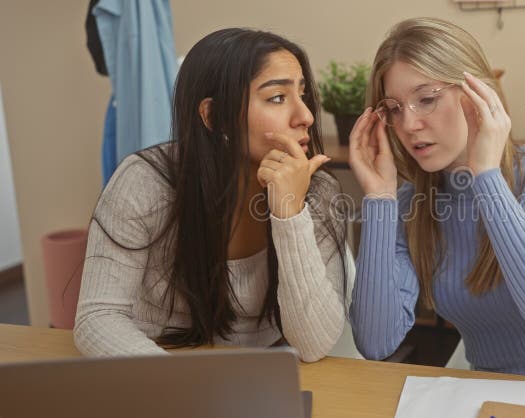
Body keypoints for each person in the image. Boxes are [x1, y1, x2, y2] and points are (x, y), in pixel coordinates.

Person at [348, 18, 525, 385]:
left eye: (426, 99)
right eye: (393, 108)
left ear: (476, 96)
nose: (408, 125)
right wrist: (378, 199)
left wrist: (486, 176)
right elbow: (375, 342)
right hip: (491, 388)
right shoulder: (411, 204)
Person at [74, 28, 349, 362]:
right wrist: (187, 387)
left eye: (302, 94)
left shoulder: (316, 191)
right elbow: (97, 317)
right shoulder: (145, 183)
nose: (305, 116)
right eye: (277, 97)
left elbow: (312, 346)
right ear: (214, 116)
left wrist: (289, 214)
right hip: (162, 374)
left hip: (265, 377)